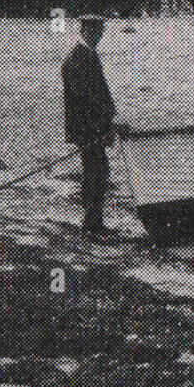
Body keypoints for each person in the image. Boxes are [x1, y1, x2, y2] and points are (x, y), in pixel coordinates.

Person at [62, 14, 116, 233]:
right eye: (93, 32)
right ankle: (91, 223)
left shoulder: (88, 55)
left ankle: (94, 221)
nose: (97, 36)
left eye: (100, 32)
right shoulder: (77, 59)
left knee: (98, 171)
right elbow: (86, 100)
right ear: (83, 31)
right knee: (96, 172)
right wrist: (103, 126)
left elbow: (98, 95)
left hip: (92, 127)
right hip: (87, 129)